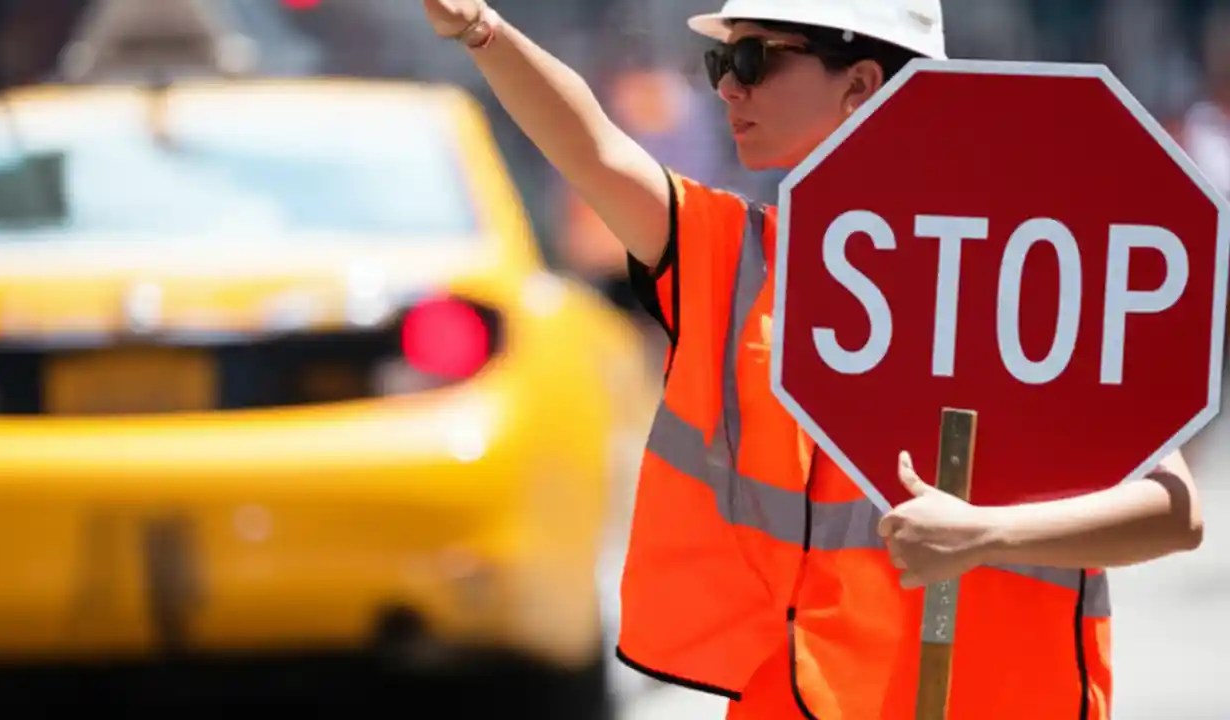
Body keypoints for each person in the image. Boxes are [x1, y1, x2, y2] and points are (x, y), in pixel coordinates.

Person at [419, 1, 1206, 717]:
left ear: (861, 83)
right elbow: (593, 150)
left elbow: (1174, 513)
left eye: (754, 60)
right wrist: (479, 27)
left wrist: (988, 534)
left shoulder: (1023, 284)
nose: (727, 89)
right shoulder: (746, 260)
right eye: (719, 64)